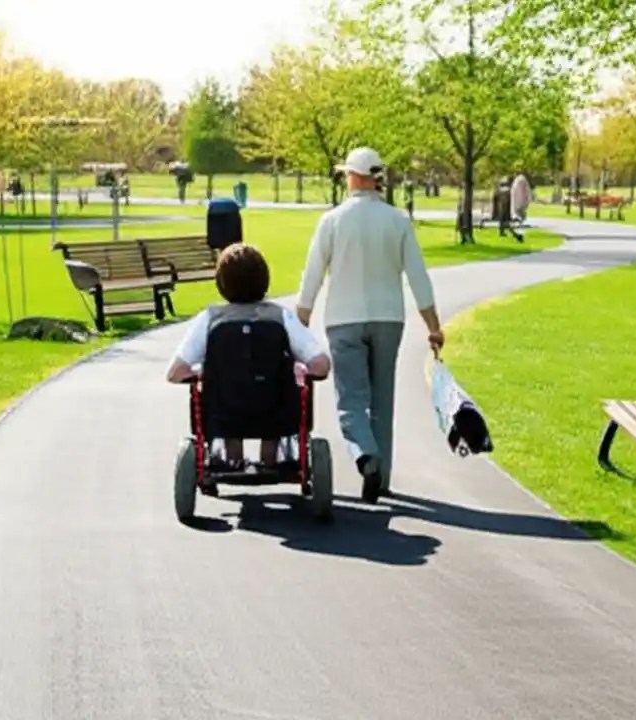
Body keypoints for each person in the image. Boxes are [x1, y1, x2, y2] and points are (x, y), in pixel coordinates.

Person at [297, 147, 444, 503]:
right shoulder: (397, 221)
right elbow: (418, 277)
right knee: (382, 400)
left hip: (343, 319)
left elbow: (312, 274)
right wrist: (433, 325)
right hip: (388, 318)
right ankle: (382, 478)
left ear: (354, 177)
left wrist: (301, 321)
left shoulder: (332, 220)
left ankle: (365, 454)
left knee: (350, 400)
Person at [167, 243, 331, 467]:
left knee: (225, 392)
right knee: (275, 389)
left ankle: (233, 458)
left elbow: (175, 373)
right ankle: (270, 458)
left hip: (225, 411)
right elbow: (321, 365)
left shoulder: (210, 319)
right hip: (274, 409)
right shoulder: (280, 317)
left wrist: (200, 370)